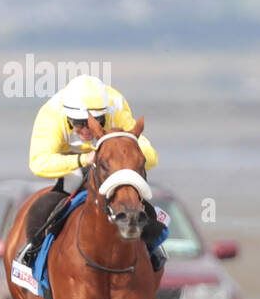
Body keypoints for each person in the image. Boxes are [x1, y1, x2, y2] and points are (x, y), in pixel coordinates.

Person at [12, 74, 164, 278]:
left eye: (95, 122)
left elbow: (150, 156)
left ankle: (154, 250)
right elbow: (38, 162)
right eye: (78, 123)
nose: (85, 129)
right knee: (41, 210)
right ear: (66, 116)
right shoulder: (50, 115)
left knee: (142, 208)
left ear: (105, 115)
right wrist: (83, 160)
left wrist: (131, 156)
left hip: (110, 166)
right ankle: (30, 254)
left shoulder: (116, 105)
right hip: (73, 165)